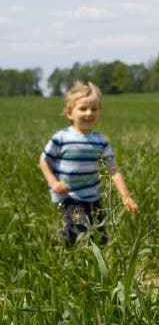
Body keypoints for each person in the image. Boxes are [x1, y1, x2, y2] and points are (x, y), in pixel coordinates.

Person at [39, 81, 139, 244]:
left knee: (100, 235)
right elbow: (44, 161)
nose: (89, 113)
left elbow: (113, 169)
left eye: (94, 109)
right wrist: (53, 182)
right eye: (83, 108)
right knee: (78, 226)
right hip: (68, 196)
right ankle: (63, 251)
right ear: (69, 113)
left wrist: (125, 196)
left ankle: (99, 264)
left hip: (92, 196)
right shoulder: (61, 138)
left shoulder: (100, 141)